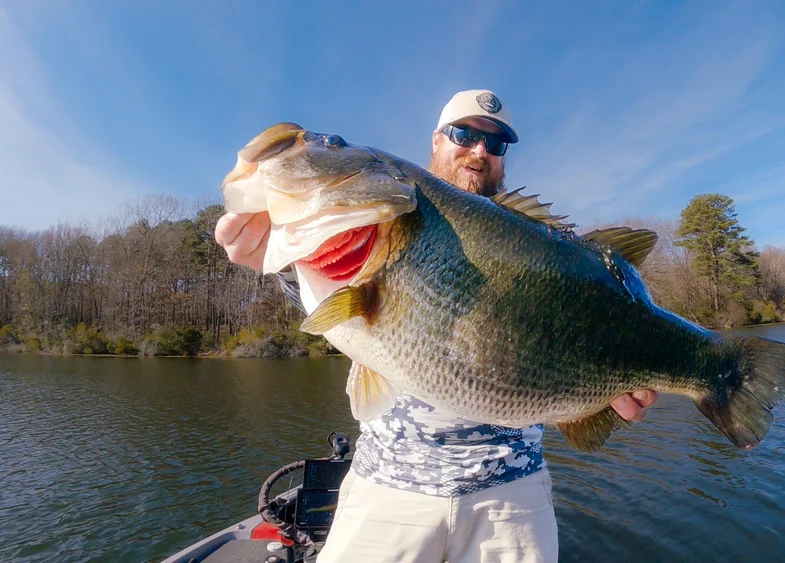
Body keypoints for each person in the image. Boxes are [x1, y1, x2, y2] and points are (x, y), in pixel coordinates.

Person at [214, 89, 659, 563]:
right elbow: (334, 295)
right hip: (387, 489)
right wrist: (283, 261)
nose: (479, 151)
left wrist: (611, 386)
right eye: (463, 134)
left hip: (514, 497)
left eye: (495, 144)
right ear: (435, 141)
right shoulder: (393, 217)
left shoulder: (541, 251)